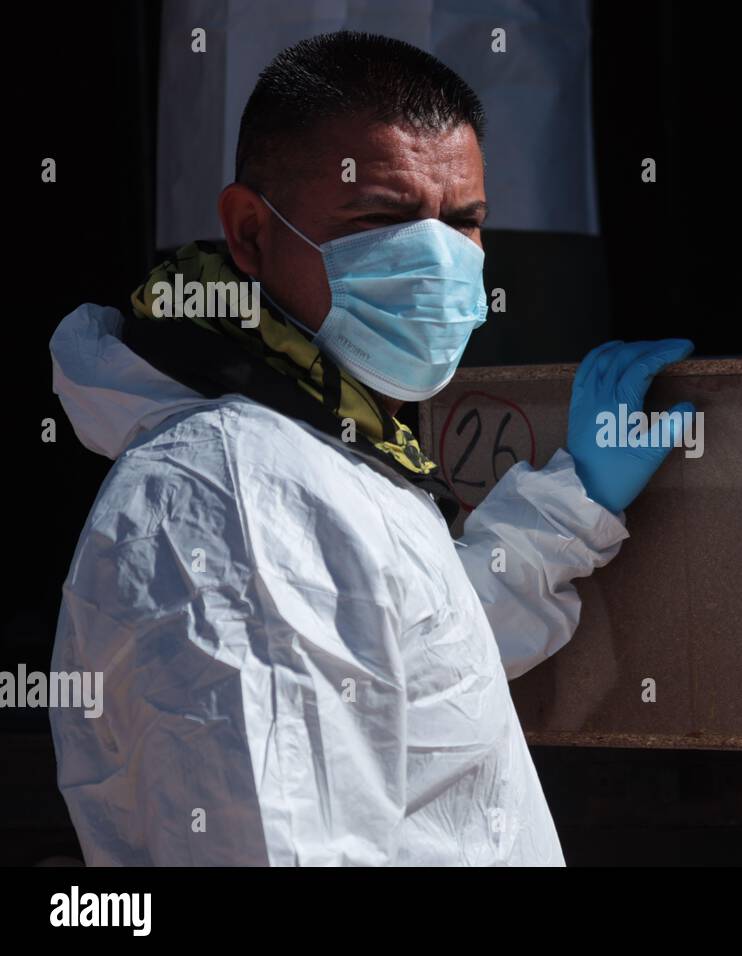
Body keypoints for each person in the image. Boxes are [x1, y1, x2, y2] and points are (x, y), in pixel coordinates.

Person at [47, 30, 694, 866]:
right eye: (382, 219)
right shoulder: (233, 492)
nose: (436, 260)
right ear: (249, 234)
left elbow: (412, 671)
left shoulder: (316, 448)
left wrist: (571, 510)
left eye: (463, 223)